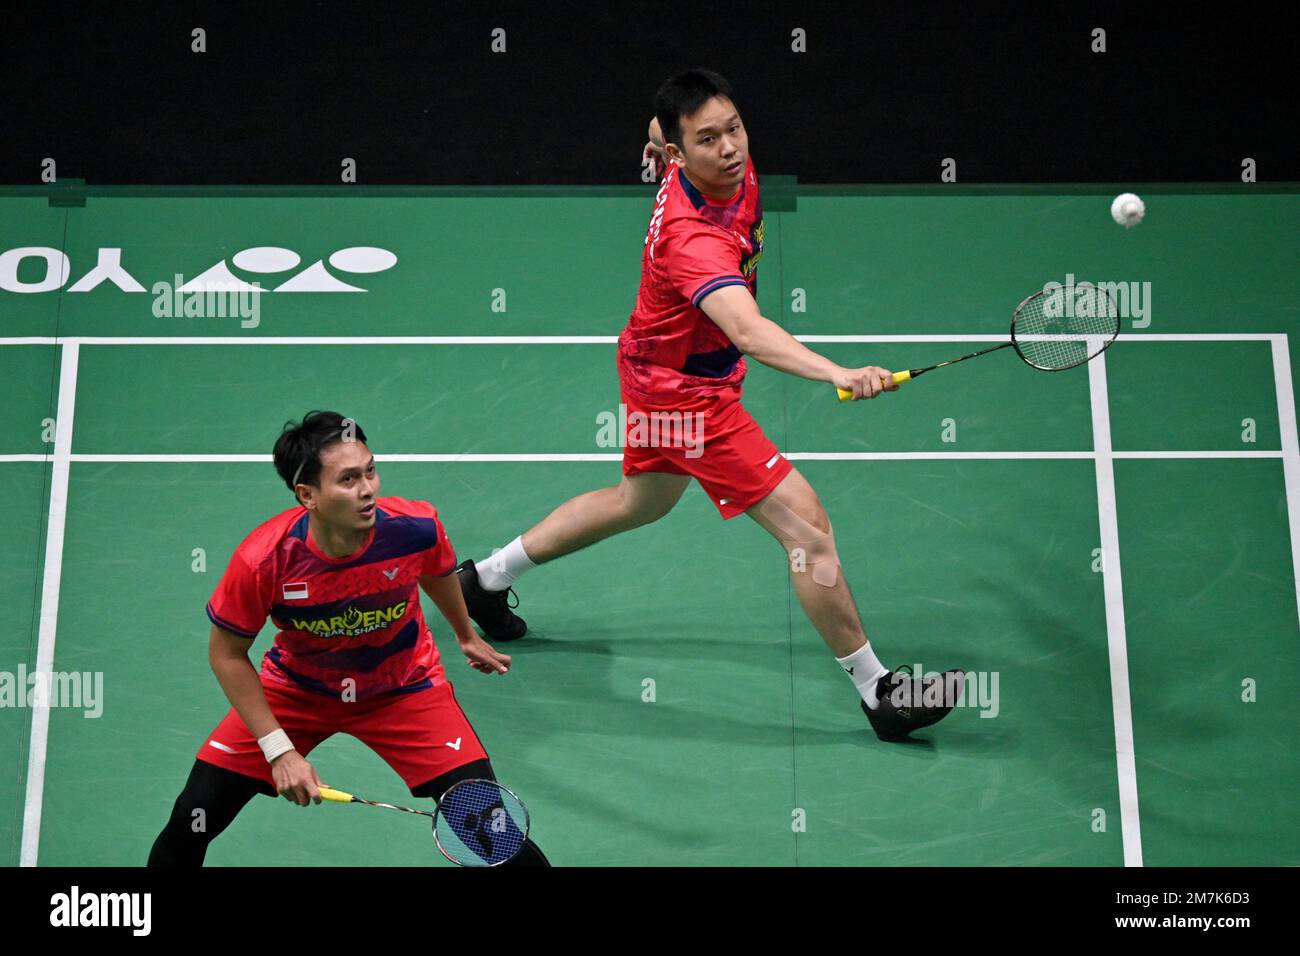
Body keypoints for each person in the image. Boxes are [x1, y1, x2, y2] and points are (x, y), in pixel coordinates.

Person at [456, 69, 962, 742]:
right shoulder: (690, 240)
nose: (729, 148)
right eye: (707, 139)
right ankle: (880, 694)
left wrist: (659, 143)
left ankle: (482, 579)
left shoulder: (702, 165)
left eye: (735, 128)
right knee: (808, 534)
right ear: (678, 152)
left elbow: (658, 130)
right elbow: (749, 331)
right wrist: (839, 372)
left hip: (660, 368)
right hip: (685, 395)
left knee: (641, 501)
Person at [148, 411, 549, 865]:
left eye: (371, 470)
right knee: (192, 819)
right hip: (297, 691)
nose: (367, 489)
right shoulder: (265, 560)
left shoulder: (415, 527)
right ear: (308, 495)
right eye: (348, 479)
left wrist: (464, 635)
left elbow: (437, 570)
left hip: (405, 689)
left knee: (493, 835)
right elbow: (226, 654)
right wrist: (279, 750)